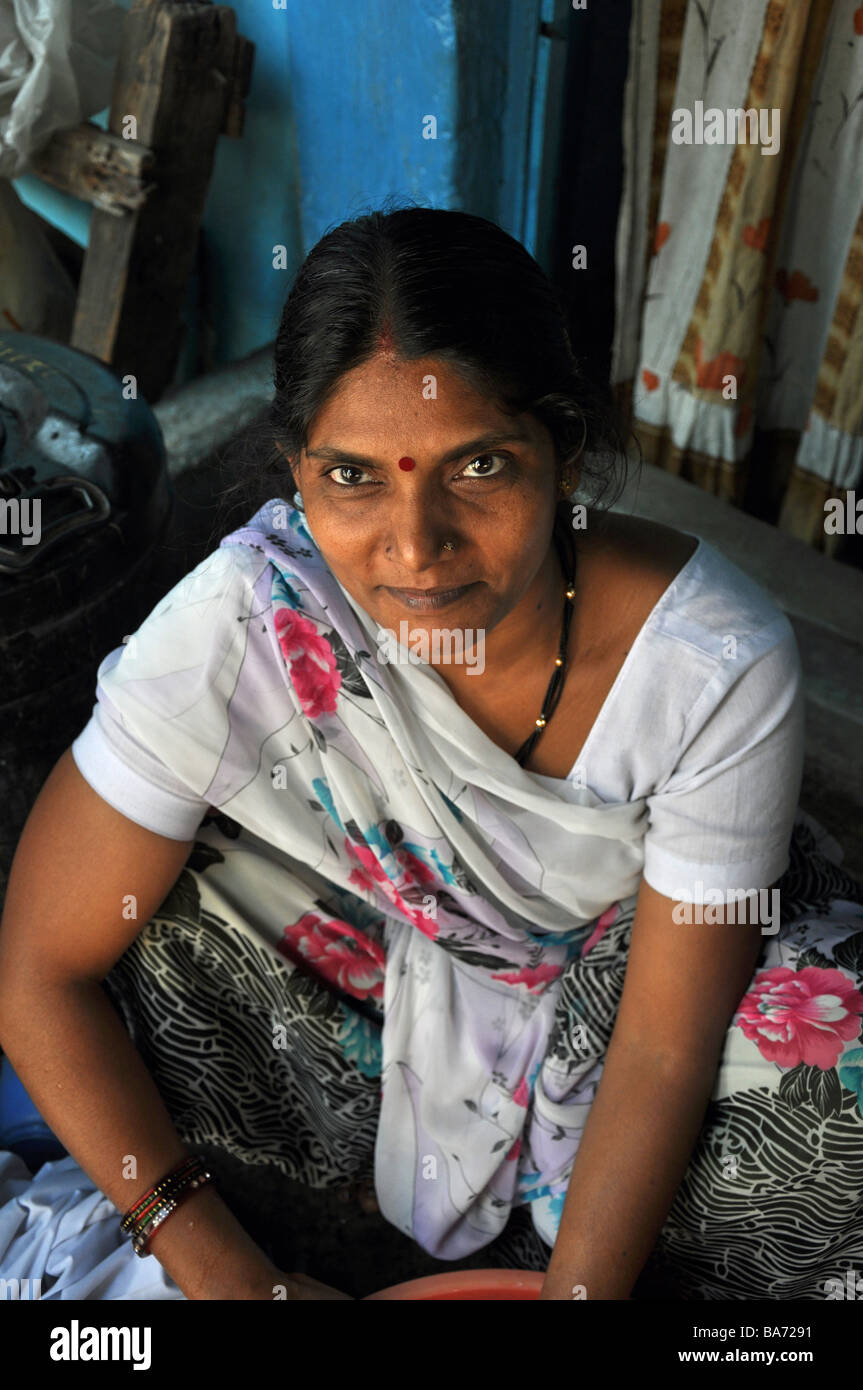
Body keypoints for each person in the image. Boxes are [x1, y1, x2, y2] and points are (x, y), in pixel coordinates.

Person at [0, 205, 862, 1302]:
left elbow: (656, 1053)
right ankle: (361, 1200)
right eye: (353, 477)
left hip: (629, 1002)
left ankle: (535, 1227)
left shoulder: (708, 662)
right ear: (295, 472)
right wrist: (228, 1279)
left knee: (836, 1094)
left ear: (568, 454)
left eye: (479, 466)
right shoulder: (250, 620)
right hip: (368, 998)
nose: (415, 546)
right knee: (133, 936)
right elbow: (37, 973)